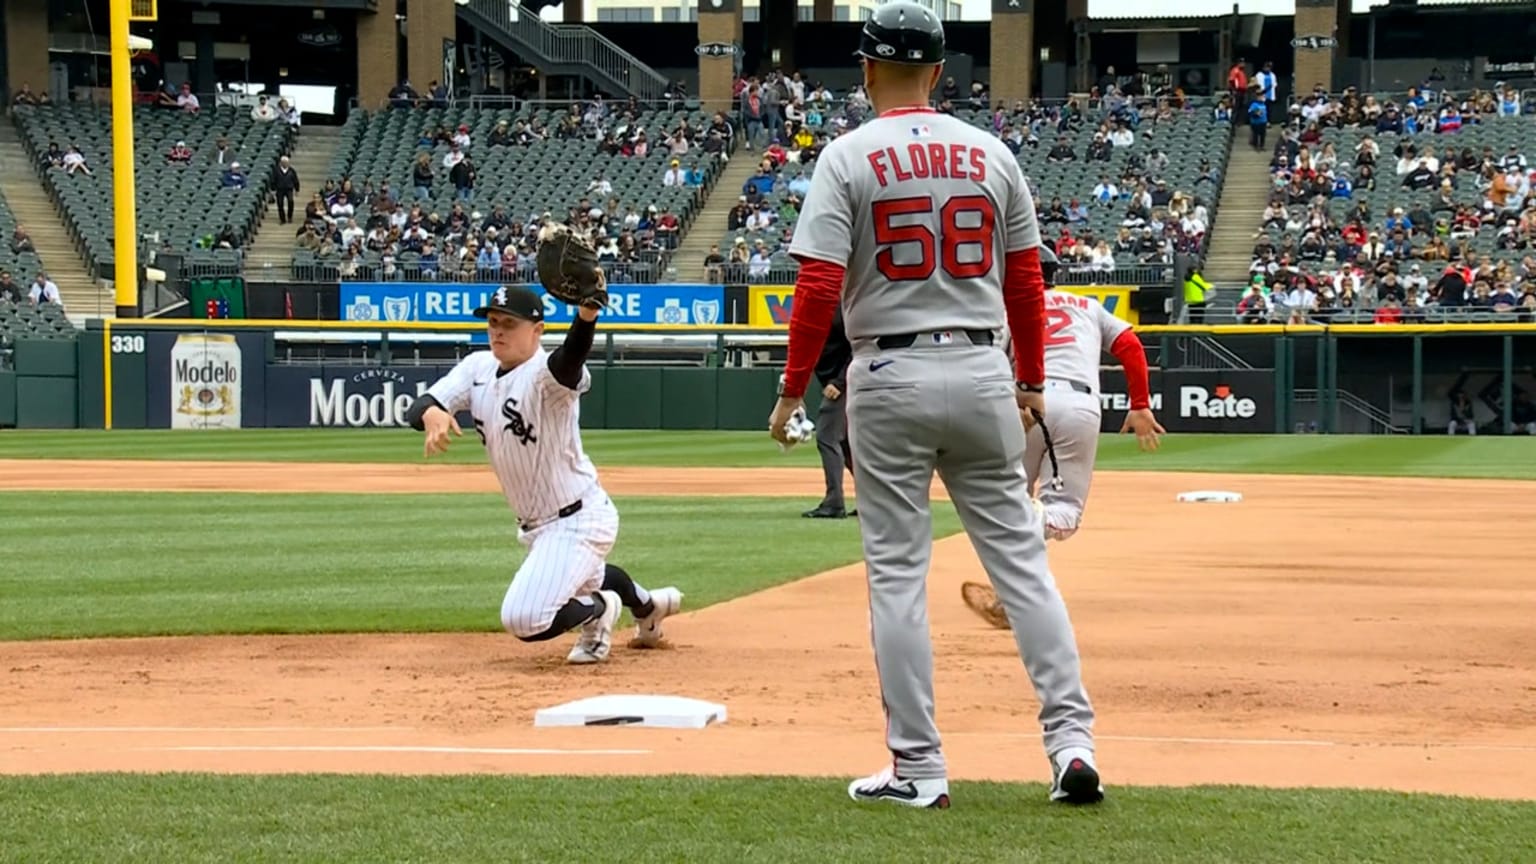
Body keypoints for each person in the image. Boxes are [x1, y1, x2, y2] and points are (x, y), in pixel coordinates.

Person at [767, 1, 1103, 810]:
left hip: (888, 371)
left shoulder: (847, 155)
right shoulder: (992, 152)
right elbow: (1026, 280)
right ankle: (1072, 745)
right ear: (940, 72)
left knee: (897, 578)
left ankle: (918, 766)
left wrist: (790, 390)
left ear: (867, 69)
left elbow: (818, 285)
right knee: (1022, 568)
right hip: (985, 367)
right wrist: (1029, 378)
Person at [404, 283, 683, 664]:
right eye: (493, 322)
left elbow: (570, 359)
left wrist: (586, 316)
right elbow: (420, 406)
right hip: (539, 524)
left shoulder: (546, 375)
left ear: (537, 330)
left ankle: (601, 608)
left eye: (509, 324)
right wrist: (431, 411)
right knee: (586, 575)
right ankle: (649, 606)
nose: (498, 331)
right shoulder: (477, 368)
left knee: (524, 618)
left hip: (580, 518)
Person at [803, 305, 854, 519]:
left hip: (846, 381)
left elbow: (859, 348)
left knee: (827, 436)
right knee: (847, 444)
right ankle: (875, 501)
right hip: (841, 380)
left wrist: (840, 382)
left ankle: (834, 503)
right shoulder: (822, 311)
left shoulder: (841, 309)